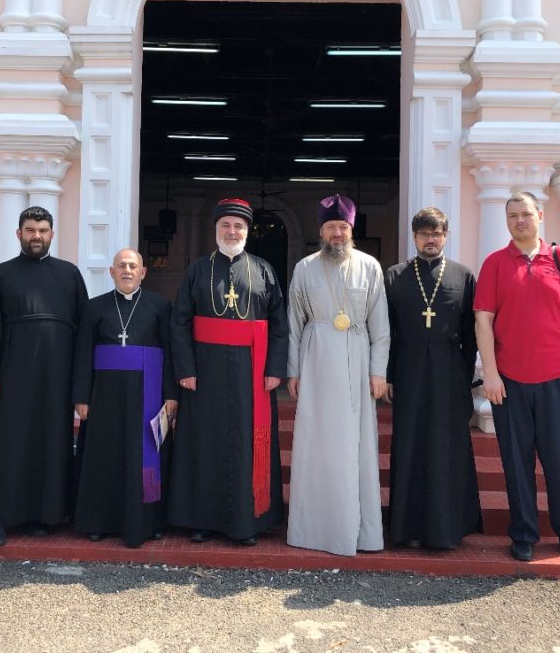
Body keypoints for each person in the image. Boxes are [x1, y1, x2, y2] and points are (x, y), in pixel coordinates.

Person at [474, 191, 560, 563]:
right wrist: (490, 374)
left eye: (525, 214)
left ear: (540, 215)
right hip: (509, 382)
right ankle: (523, 533)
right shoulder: (494, 264)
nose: (519, 221)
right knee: (516, 460)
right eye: (512, 216)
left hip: (557, 377)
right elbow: (483, 320)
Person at [169, 198, 288, 546]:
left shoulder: (264, 269)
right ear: (216, 229)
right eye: (226, 225)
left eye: (238, 226)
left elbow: (279, 325)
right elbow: (180, 323)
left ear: (247, 231)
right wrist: (186, 370)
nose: (232, 231)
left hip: (252, 374)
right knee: (204, 444)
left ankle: (247, 521)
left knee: (247, 445)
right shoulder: (196, 270)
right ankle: (202, 520)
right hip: (204, 374)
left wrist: (275, 369)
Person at [0, 206, 88, 547]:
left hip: (57, 377)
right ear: (18, 233)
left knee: (51, 445)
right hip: (12, 375)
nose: (36, 235)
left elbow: (83, 331)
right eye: (30, 229)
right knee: (7, 446)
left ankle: (44, 516)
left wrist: (79, 383)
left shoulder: (69, 275)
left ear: (52, 234)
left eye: (42, 230)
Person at [285, 194, 390, 557]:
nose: (337, 233)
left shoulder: (370, 267)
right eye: (331, 227)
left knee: (355, 445)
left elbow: (381, 326)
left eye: (342, 227)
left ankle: (358, 533)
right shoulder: (304, 268)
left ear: (351, 229)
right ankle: (313, 529)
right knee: (316, 442)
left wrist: (379, 371)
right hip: (315, 360)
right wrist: (293, 370)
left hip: (358, 360)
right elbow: (293, 323)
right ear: (321, 231)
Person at [385, 207, 482, 550]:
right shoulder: (395, 276)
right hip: (408, 371)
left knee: (446, 446)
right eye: (424, 233)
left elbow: (473, 333)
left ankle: (448, 529)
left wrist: (465, 375)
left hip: (449, 372)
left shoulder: (463, 276)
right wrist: (389, 374)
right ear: (414, 237)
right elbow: (389, 332)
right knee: (409, 444)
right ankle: (406, 528)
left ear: (446, 235)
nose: (430, 239)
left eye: (437, 233)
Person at [73, 248, 178, 547]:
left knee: (149, 454)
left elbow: (170, 353)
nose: (127, 271)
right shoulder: (94, 308)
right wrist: (82, 396)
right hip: (105, 396)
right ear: (112, 271)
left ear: (144, 272)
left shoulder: (160, 306)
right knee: (104, 455)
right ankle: (98, 520)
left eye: (133, 266)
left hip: (150, 393)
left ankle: (150, 521)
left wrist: (172, 395)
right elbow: (82, 354)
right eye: (121, 266)